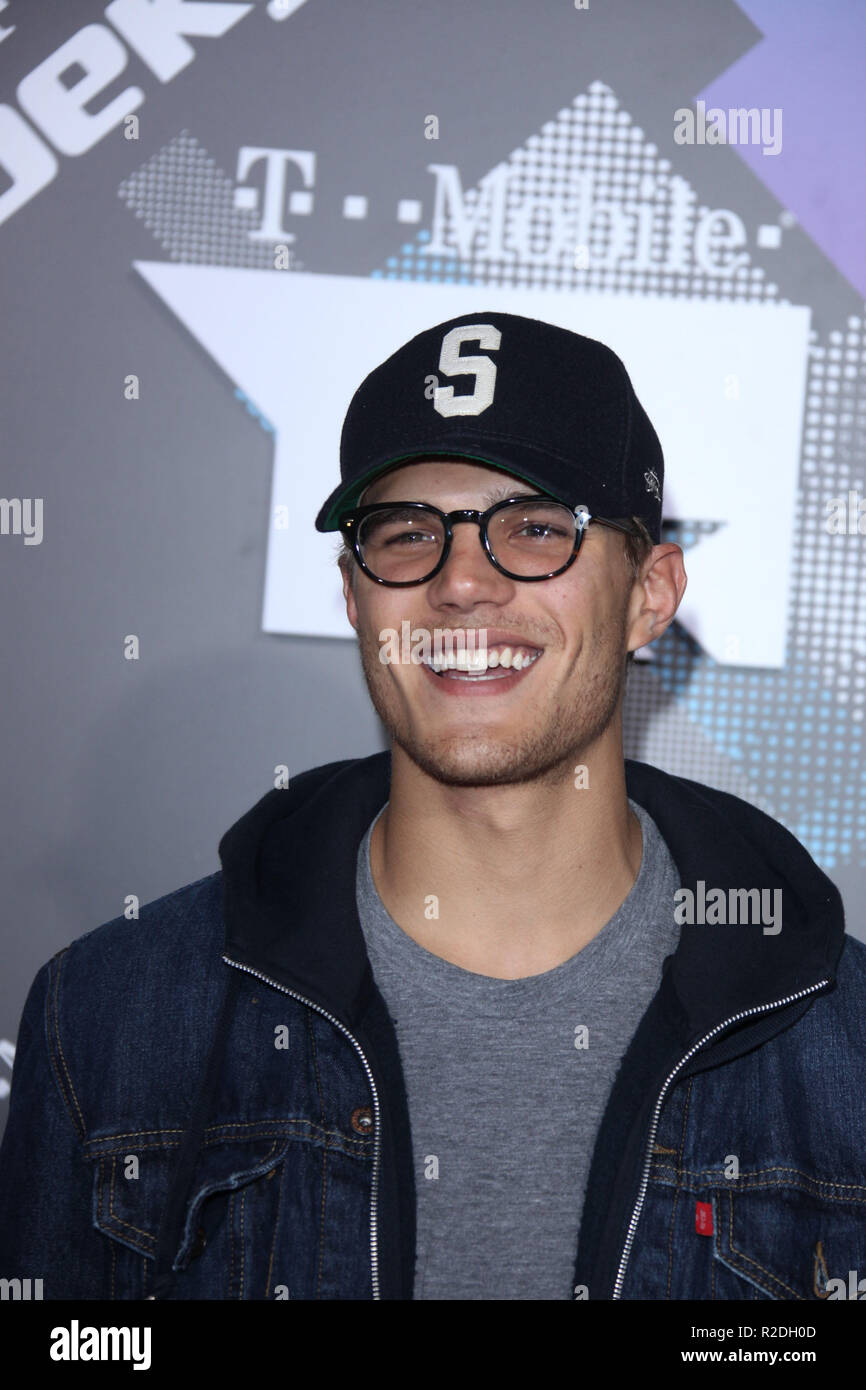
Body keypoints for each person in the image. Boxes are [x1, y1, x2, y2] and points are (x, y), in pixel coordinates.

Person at [1, 310, 864, 1302]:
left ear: (649, 595)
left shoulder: (841, 1049)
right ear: (352, 597)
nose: (459, 582)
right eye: (406, 534)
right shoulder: (110, 1015)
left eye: (536, 527)